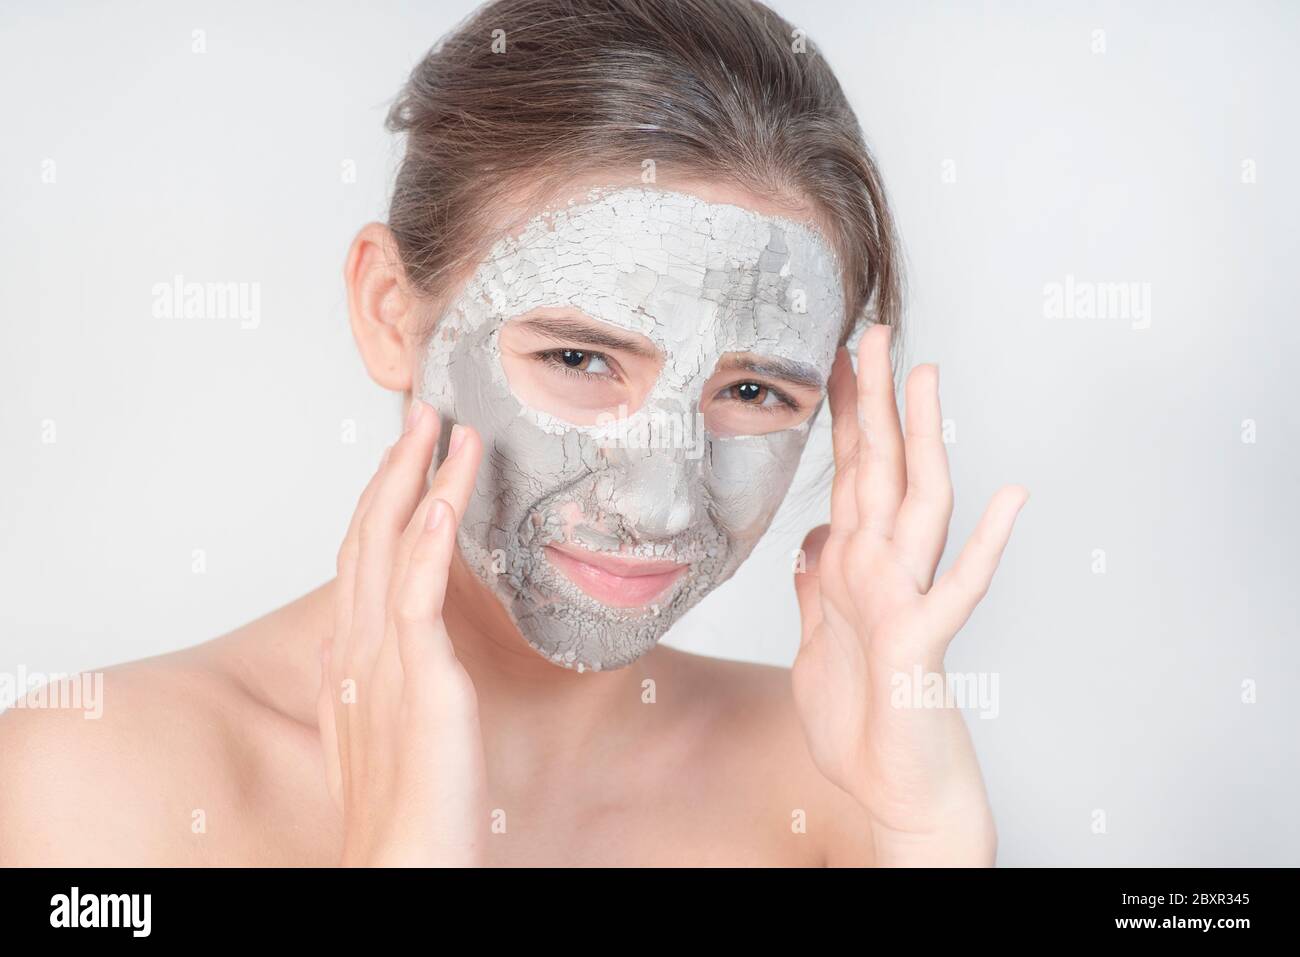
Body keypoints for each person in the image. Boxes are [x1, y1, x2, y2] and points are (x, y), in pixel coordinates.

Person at [0, 0, 1026, 867]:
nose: (662, 502)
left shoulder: (842, 779)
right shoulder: (95, 785)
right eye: (578, 361)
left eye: (754, 391)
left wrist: (928, 835)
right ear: (392, 312)